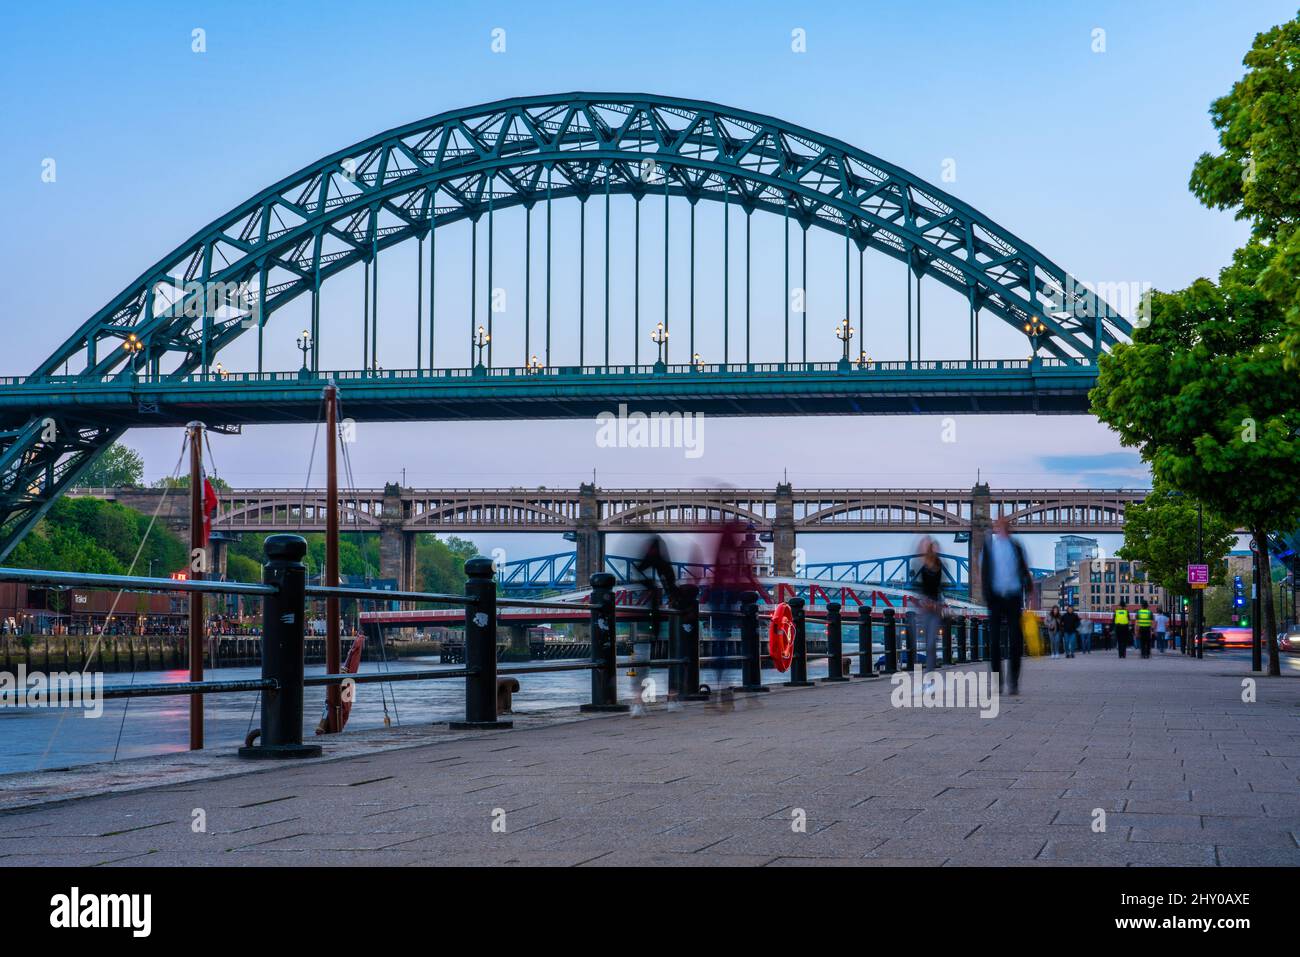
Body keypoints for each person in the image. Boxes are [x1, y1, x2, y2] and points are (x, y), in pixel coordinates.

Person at [980, 515, 1033, 695]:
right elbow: (983, 571)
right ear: (996, 528)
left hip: (1013, 597)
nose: (1001, 527)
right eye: (999, 524)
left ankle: (1013, 682)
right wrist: (987, 595)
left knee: (1015, 640)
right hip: (995, 598)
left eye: (1004, 525)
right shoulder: (989, 547)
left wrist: (1029, 588)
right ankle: (998, 683)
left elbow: (1024, 569)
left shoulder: (1017, 547)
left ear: (1008, 528)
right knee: (994, 642)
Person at [915, 537, 944, 687]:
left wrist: (936, 604)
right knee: (928, 644)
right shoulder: (923, 568)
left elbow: (938, 588)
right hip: (926, 608)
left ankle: (930, 678)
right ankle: (929, 677)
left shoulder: (939, 566)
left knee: (931, 643)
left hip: (935, 608)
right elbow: (923, 589)